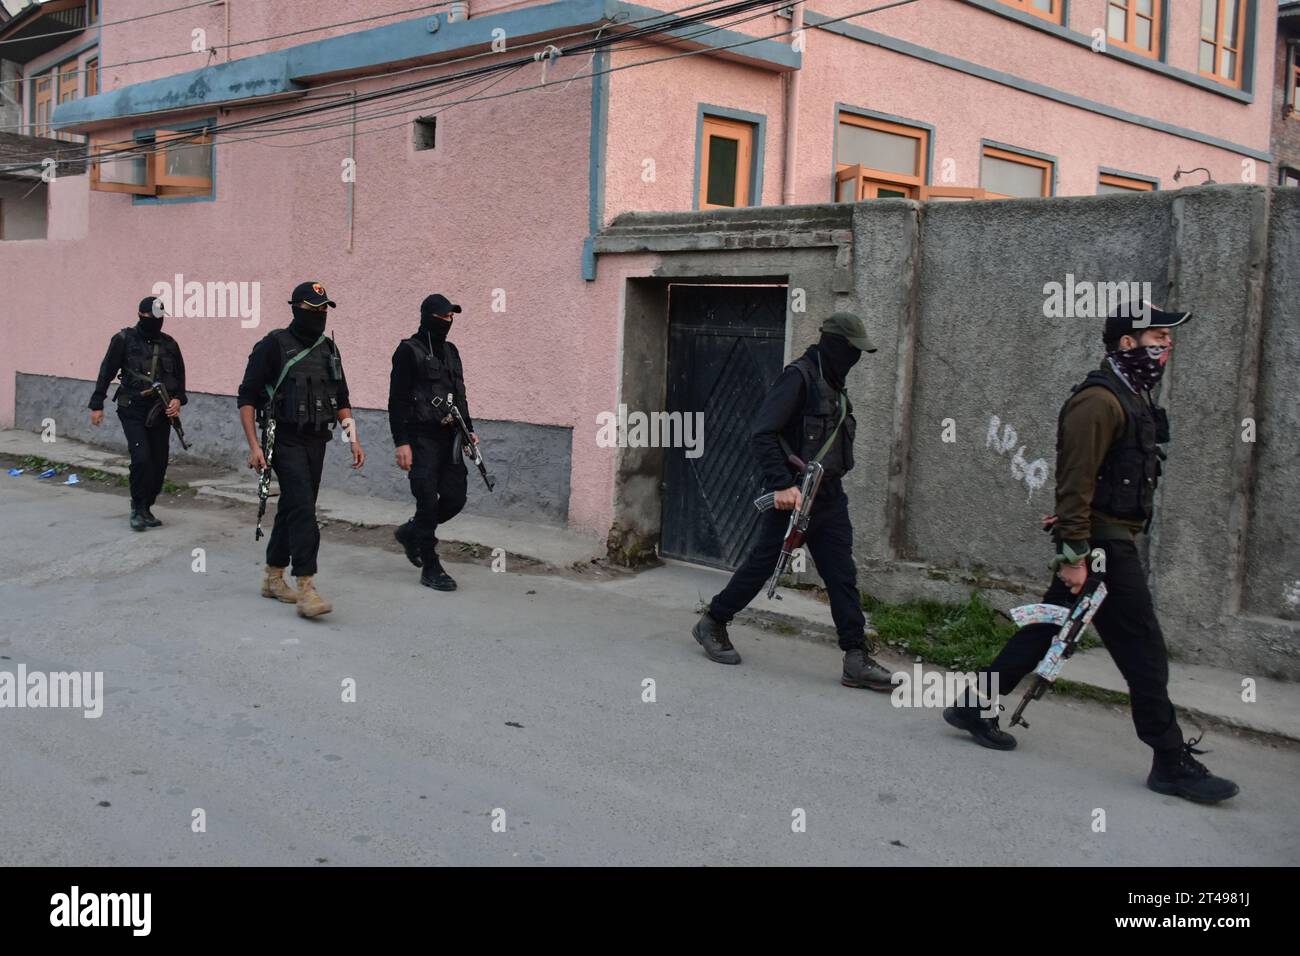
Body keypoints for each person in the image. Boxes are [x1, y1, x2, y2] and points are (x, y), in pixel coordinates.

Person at [943, 303, 1239, 804]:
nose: (1166, 348)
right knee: (1144, 654)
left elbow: (1097, 483)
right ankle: (1169, 761)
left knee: (1048, 625)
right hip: (1102, 550)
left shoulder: (1131, 395)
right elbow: (1074, 482)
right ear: (1128, 343)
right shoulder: (1098, 402)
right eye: (1158, 338)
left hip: (1105, 539)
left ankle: (975, 703)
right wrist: (1075, 553)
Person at [691, 312, 893, 691]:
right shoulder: (798, 378)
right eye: (853, 351)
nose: (856, 359)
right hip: (796, 496)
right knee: (762, 564)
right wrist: (783, 485)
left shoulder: (833, 382)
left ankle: (856, 657)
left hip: (829, 496)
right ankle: (713, 622)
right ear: (835, 345)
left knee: (841, 575)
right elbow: (762, 433)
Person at [237, 282, 365, 619]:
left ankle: (273, 576)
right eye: (313, 309)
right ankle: (307, 586)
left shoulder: (329, 349)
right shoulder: (273, 345)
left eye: (325, 309)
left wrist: (353, 438)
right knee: (305, 509)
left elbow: (342, 399)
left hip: (317, 440)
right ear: (296, 308)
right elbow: (247, 398)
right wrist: (254, 446)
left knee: (295, 505)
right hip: (283, 439)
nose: (320, 315)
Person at [388, 294, 478, 591]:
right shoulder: (408, 351)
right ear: (427, 317)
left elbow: (459, 394)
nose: (447, 322)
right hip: (420, 436)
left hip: (450, 437)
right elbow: (397, 401)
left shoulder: (451, 351)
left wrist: (469, 431)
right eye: (442, 318)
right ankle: (430, 563)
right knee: (426, 500)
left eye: (451, 318)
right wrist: (401, 442)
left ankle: (412, 531)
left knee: (455, 498)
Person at [89, 296, 187, 531]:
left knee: (159, 462)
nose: (157, 321)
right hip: (132, 407)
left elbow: (179, 381)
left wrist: (177, 400)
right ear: (141, 315)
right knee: (142, 458)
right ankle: (137, 507)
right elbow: (107, 371)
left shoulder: (170, 344)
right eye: (152, 317)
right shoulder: (123, 340)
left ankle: (147, 507)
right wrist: (97, 404)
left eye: (160, 317)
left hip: (160, 411)